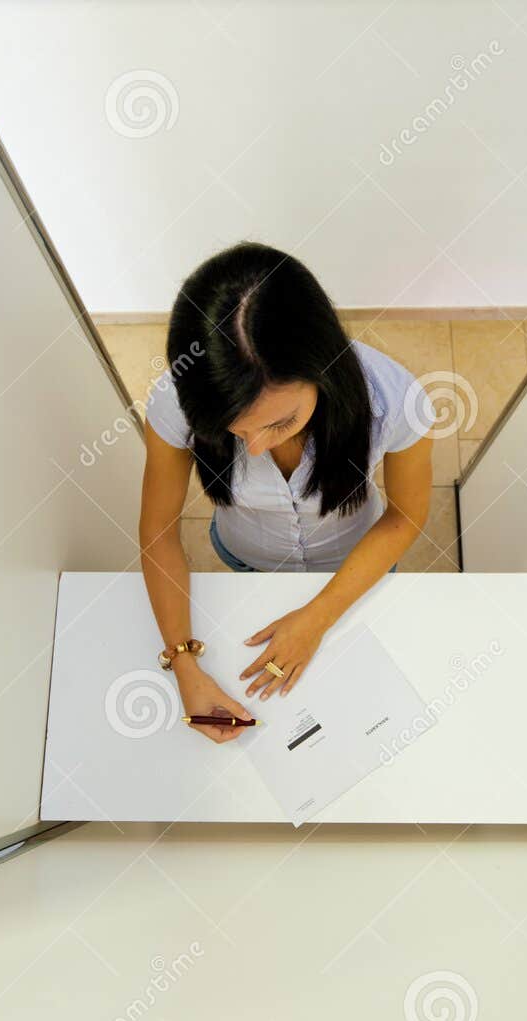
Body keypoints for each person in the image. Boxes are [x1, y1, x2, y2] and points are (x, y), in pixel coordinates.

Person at [138, 242, 434, 743]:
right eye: (234, 430)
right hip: (247, 557)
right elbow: (157, 533)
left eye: (280, 423)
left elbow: (405, 517)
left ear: (321, 366)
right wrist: (183, 663)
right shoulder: (175, 401)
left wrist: (318, 617)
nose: (255, 448)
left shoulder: (396, 400)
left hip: (356, 558)